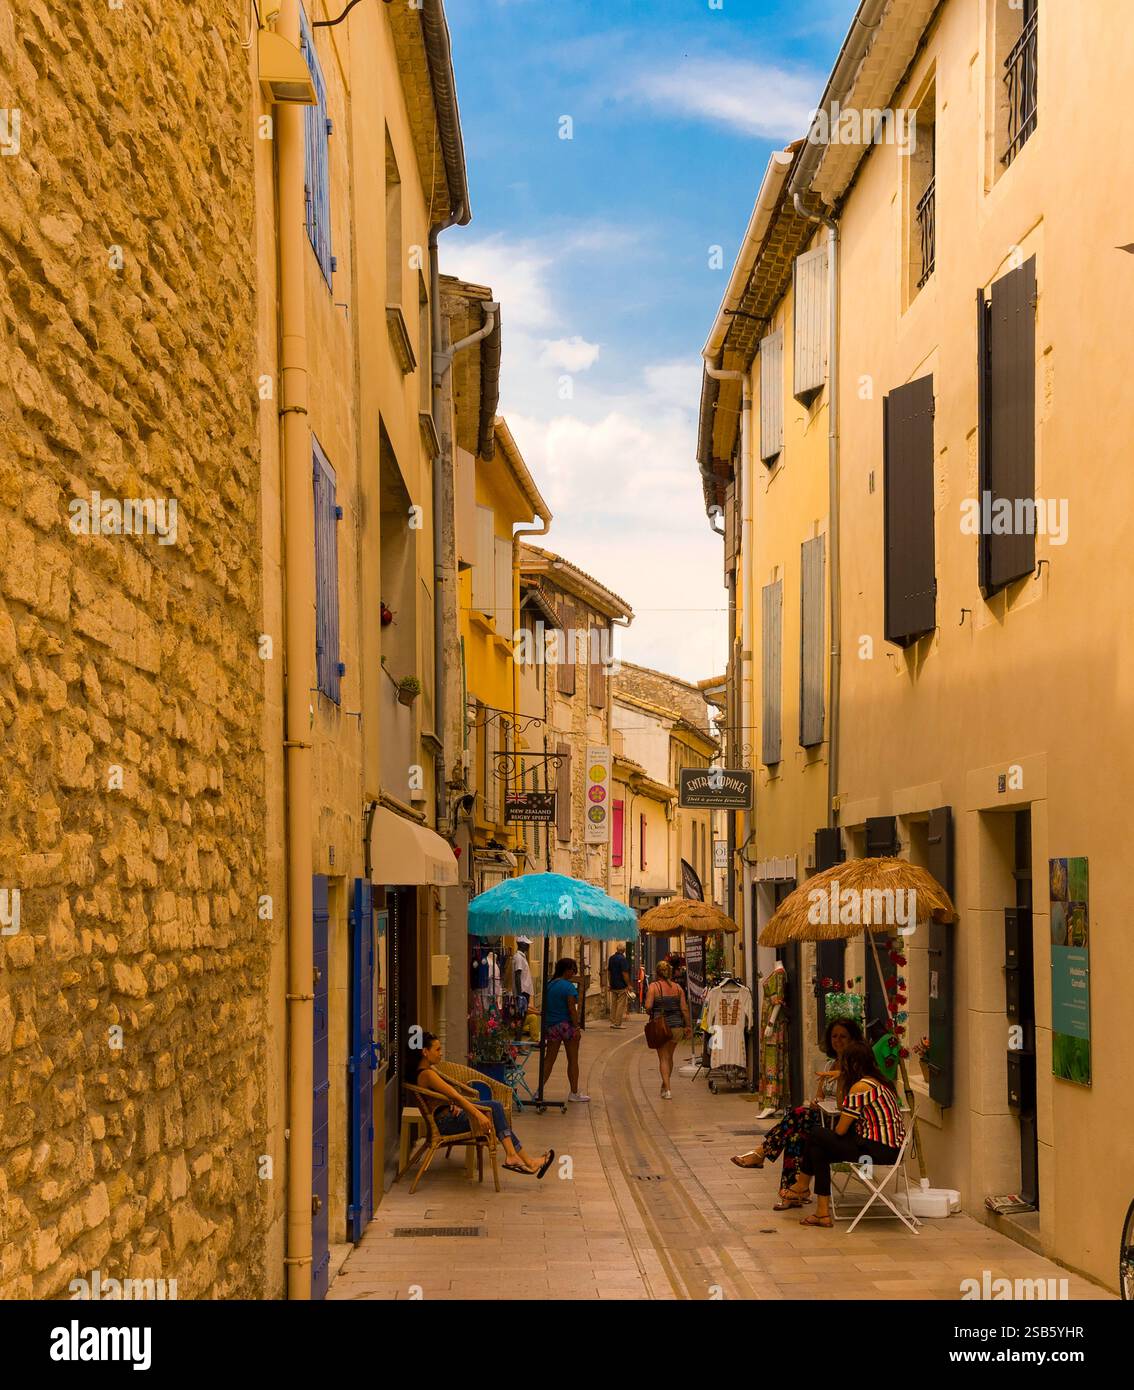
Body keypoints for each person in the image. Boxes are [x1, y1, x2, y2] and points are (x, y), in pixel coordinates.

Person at [730, 1017, 863, 1208]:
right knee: (795, 1136)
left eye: (843, 1036)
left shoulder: (856, 1068)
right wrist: (817, 1102)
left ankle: (762, 1153)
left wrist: (842, 1078)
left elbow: (847, 1105)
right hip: (823, 1118)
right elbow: (820, 1095)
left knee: (799, 1115)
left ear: (852, 1039)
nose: (838, 1040)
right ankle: (792, 1193)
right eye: (834, 1036)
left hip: (843, 1124)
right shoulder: (829, 1065)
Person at [784, 1040, 906, 1228]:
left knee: (816, 1133)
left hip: (875, 1151)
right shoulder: (879, 1082)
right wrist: (842, 1079)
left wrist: (842, 1079)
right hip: (889, 1149)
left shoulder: (861, 1087)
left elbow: (840, 1130)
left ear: (853, 1065)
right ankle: (822, 1213)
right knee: (819, 1149)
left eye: (844, 1064)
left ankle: (801, 1185)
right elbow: (843, 1106)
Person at [410, 1032, 554, 1178]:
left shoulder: (426, 1072)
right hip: (446, 1124)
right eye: (437, 1049)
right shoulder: (427, 1075)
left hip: (448, 1117)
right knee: (495, 1108)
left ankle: (524, 1160)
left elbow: (448, 1097)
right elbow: (455, 1095)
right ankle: (518, 1158)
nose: (441, 1053)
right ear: (425, 1052)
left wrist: (452, 1104)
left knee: (496, 1108)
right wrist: (478, 1115)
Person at [543, 957, 589, 1102]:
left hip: (552, 1026)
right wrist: (577, 1027)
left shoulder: (549, 985)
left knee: (549, 1059)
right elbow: (572, 1009)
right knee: (573, 1059)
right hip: (566, 1026)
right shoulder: (569, 987)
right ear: (567, 970)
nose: (574, 973)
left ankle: (539, 1090)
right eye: (573, 970)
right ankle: (574, 1093)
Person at [643, 960, 690, 1099]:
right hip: (677, 1027)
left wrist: (652, 1010)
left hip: (661, 1028)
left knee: (663, 1058)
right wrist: (688, 1026)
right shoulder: (678, 988)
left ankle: (668, 1090)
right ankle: (664, 1086)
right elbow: (684, 1009)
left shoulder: (654, 987)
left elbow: (648, 1006)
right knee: (669, 1057)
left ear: (657, 973)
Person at [607, 943, 631, 1029]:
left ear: (617, 949)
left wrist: (610, 983)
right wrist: (628, 984)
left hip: (613, 984)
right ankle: (617, 1023)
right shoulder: (623, 959)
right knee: (620, 1005)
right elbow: (624, 973)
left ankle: (613, 1021)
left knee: (614, 1004)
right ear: (624, 951)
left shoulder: (611, 958)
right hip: (621, 985)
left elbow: (609, 972)